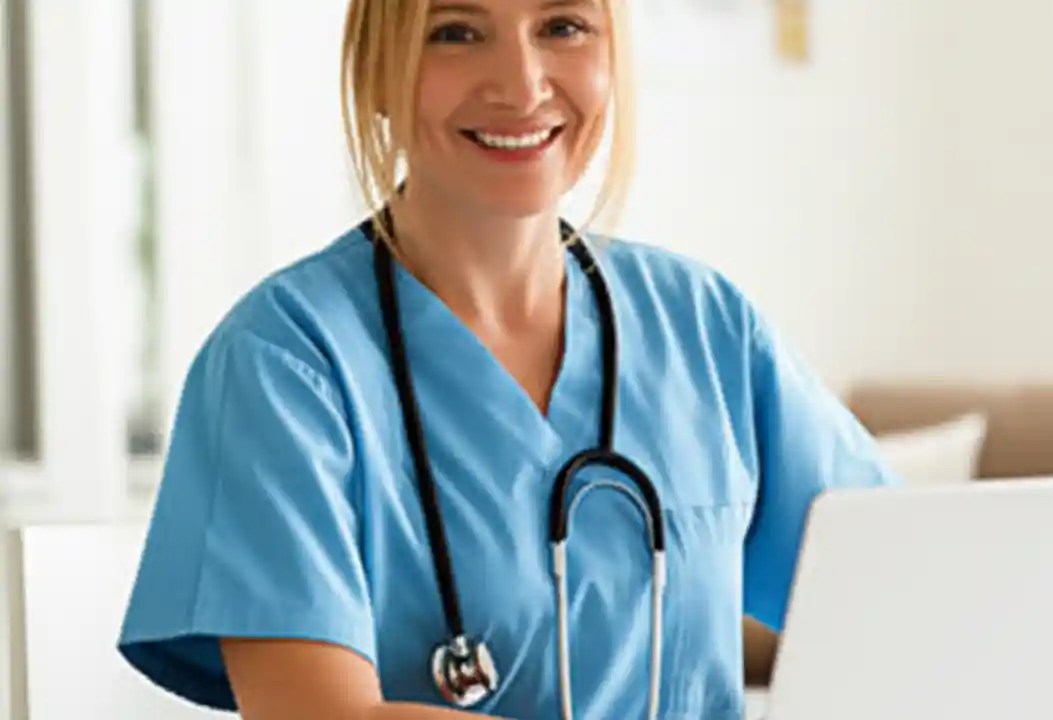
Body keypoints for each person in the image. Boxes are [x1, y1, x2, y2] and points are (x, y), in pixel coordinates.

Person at [116, 0, 898, 718]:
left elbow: (907, 593)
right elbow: (323, 716)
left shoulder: (705, 326)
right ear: (376, 73)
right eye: (456, 33)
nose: (522, 86)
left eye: (563, 27)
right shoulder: (284, 362)